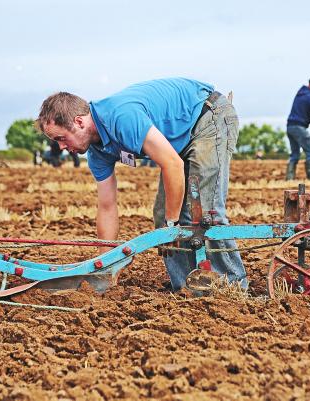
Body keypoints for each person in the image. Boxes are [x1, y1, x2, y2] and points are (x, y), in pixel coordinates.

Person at [35, 78, 247, 291]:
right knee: (163, 214)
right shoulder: (96, 153)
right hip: (180, 137)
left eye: (61, 138)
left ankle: (232, 288)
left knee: (203, 211)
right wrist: (106, 265)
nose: (61, 146)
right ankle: (186, 289)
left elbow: (171, 164)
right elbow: (107, 206)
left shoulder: (121, 117)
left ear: (79, 122)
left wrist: (171, 227)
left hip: (208, 117)